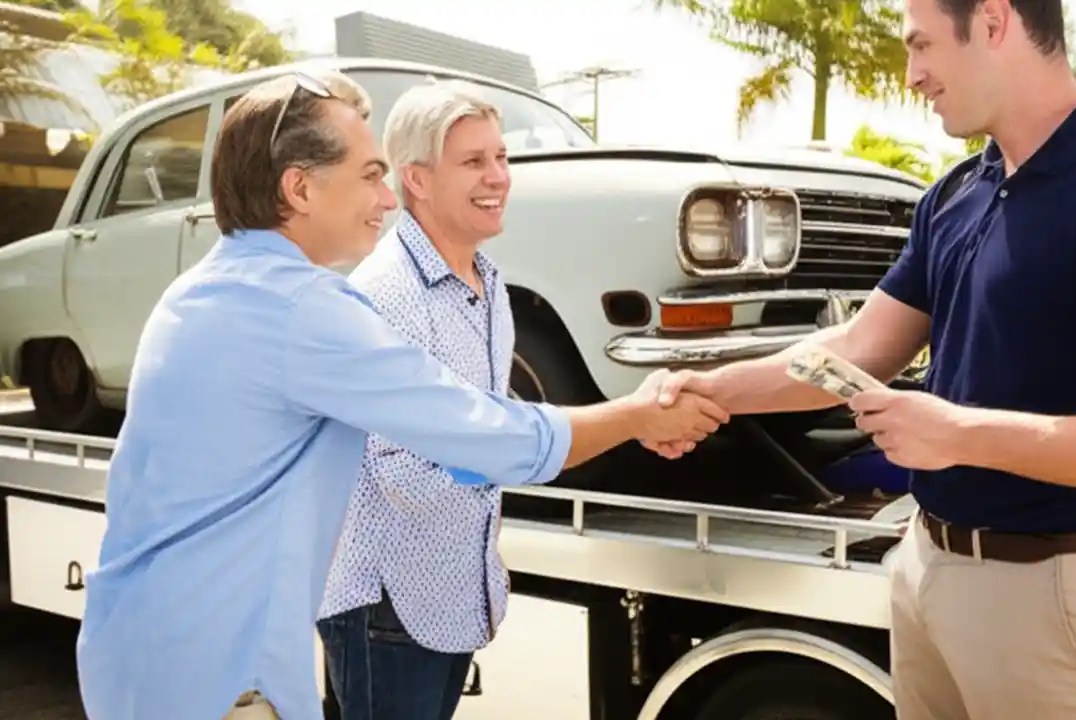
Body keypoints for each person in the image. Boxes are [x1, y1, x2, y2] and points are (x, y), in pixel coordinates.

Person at [75, 69, 727, 720]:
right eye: (368, 175)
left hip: (138, 652)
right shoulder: (303, 310)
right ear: (298, 187)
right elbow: (485, 434)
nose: (386, 201)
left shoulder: (199, 292)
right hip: (215, 677)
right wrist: (636, 416)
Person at [650, 0, 1076, 718]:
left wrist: (957, 434)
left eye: (922, 46)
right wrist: (709, 390)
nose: (912, 74)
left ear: (993, 21)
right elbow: (857, 348)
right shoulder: (956, 195)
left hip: (1044, 596)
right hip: (924, 566)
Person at [314, 80, 532, 719]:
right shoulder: (389, 295)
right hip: (389, 607)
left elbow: (486, 422)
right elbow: (404, 471)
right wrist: (525, 449)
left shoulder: (490, 284)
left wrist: (512, 441)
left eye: (500, 157)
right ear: (417, 179)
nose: (498, 177)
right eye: (472, 162)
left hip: (447, 599)